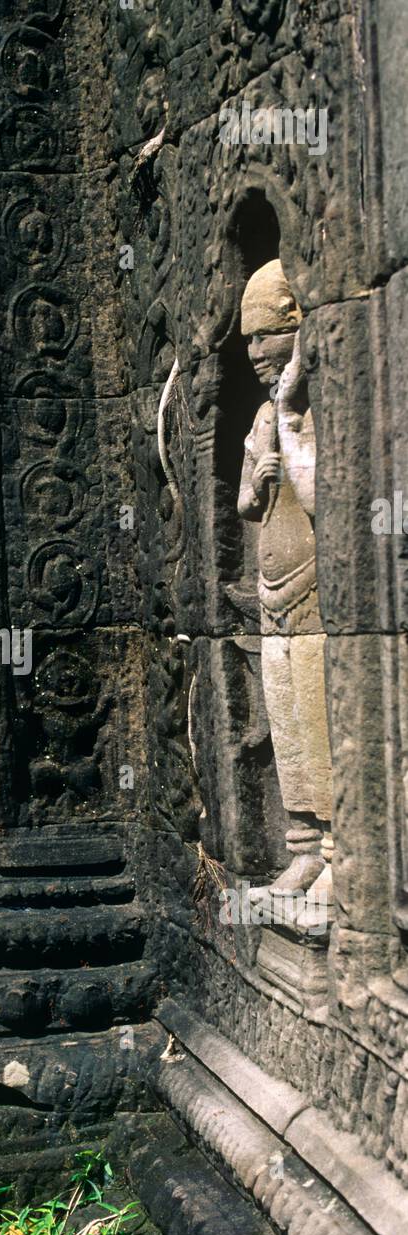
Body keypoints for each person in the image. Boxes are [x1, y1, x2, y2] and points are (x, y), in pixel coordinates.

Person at [237, 261, 333, 931]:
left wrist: (295, 419)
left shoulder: (313, 410)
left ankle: (340, 853)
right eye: (246, 342)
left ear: (298, 331)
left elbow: (326, 496)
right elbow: (245, 502)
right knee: (289, 724)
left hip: (319, 596)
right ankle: (301, 849)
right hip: (274, 598)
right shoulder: (261, 419)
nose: (255, 355)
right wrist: (260, 471)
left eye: (267, 337)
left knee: (324, 725)